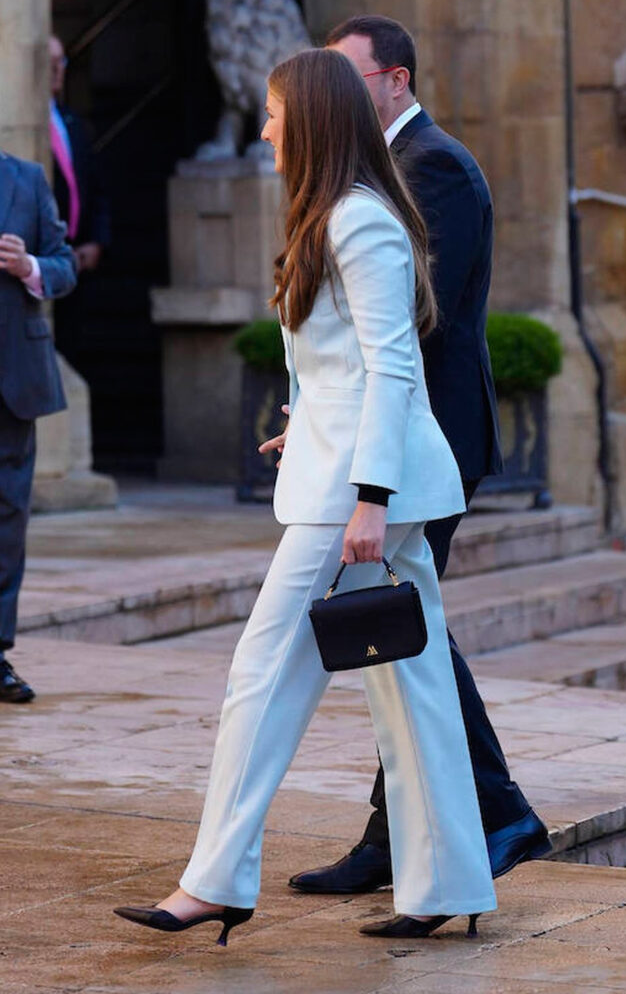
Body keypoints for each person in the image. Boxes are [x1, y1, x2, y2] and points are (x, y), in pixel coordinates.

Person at [113, 48, 496, 944]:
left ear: (316, 120)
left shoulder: (358, 221)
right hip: (359, 480)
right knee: (415, 686)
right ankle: (448, 884)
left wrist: (368, 497)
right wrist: (311, 421)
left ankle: (214, 880)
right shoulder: (341, 214)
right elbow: (351, 371)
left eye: (276, 113)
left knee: (261, 676)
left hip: (356, 498)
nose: (265, 128)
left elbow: (395, 366)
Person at [289, 15, 550, 897]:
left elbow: (404, 326)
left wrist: (362, 444)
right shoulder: (387, 167)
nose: (328, 97)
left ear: (393, 80)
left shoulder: (427, 164)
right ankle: (406, 834)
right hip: (395, 438)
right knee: (400, 629)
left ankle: (485, 814)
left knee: (402, 627)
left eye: (345, 76)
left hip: (423, 442)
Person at [0, 150, 77, 702]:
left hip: (12, 382)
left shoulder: (25, 178)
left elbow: (64, 263)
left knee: (7, 521)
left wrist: (29, 267)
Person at [48, 35, 111, 371]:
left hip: (79, 259)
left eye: (62, 62)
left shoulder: (72, 122)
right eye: (49, 62)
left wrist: (96, 241)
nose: (58, 70)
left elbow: (95, 188)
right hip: (41, 262)